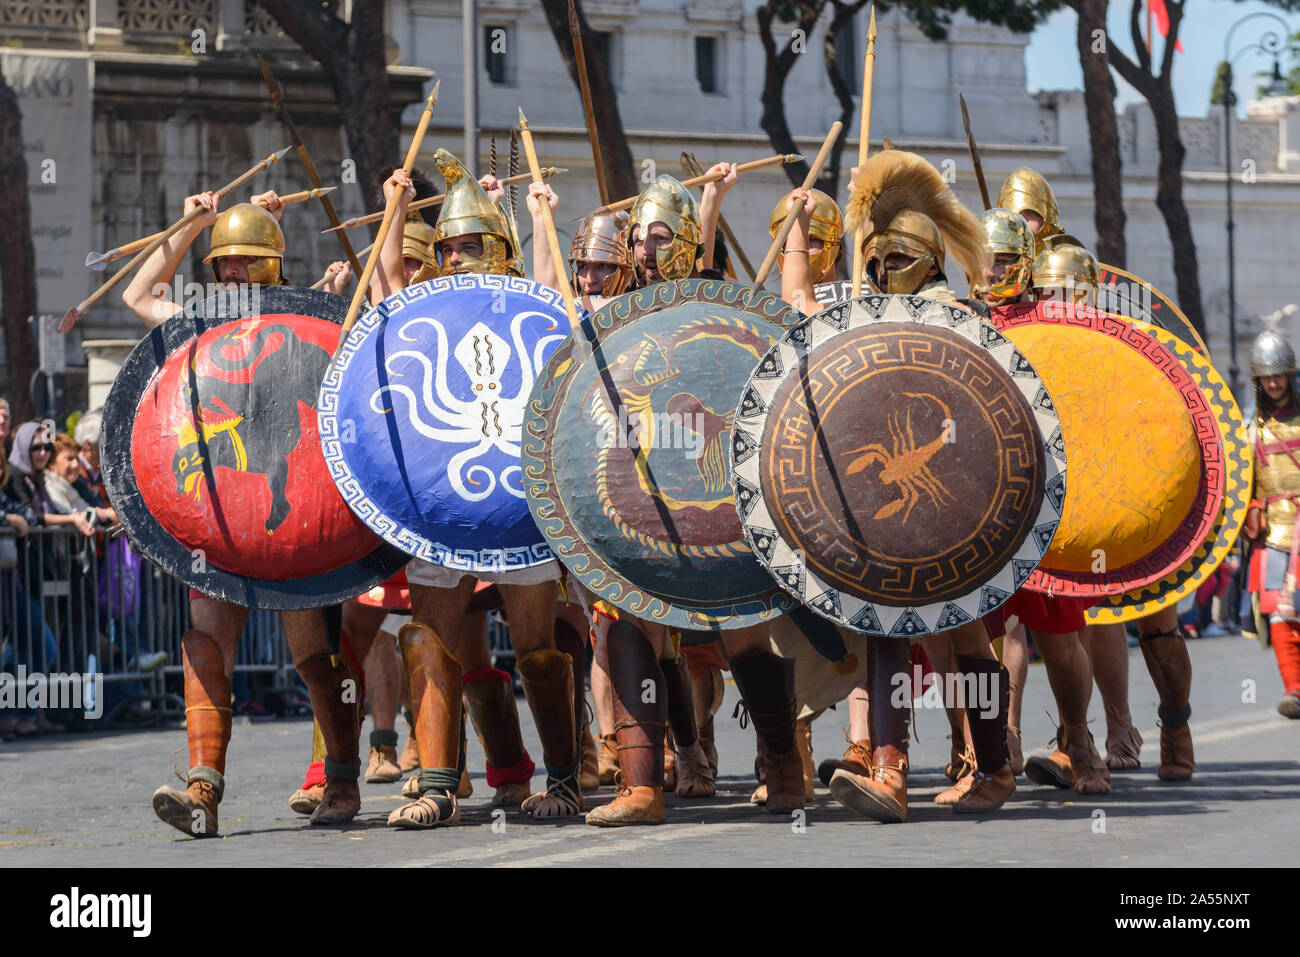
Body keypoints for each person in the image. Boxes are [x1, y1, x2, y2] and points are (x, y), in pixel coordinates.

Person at [120, 181, 408, 836]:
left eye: (243, 260)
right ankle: (202, 790)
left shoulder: (306, 332)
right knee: (205, 644)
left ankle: (340, 778)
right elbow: (139, 295)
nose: (229, 272)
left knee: (315, 657)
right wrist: (192, 224)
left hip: (292, 519)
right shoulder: (196, 330)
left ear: (271, 266)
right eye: (221, 263)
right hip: (217, 523)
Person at [1244, 329, 1300, 719]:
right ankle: (1294, 690)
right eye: (1267, 377)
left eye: (1279, 375)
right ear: (1258, 381)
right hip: (1272, 535)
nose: (1274, 383)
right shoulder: (1251, 429)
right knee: (1279, 611)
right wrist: (1248, 510)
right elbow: (1240, 484)